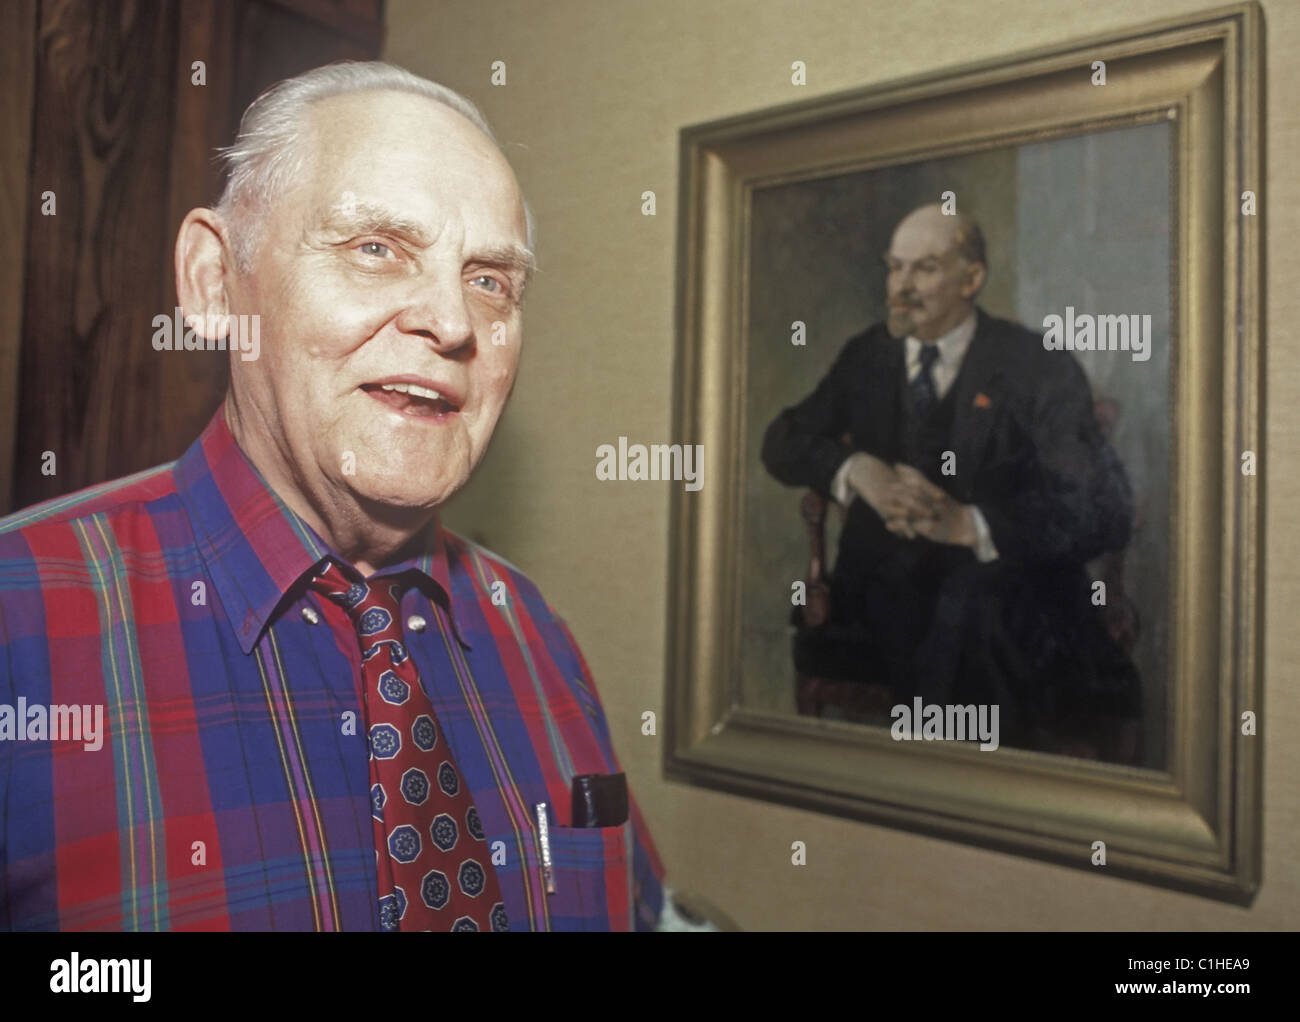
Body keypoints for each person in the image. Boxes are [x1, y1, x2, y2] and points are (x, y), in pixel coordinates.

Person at [0, 62, 664, 931]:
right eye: (376, 248)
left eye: (491, 280)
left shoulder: (536, 632)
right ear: (213, 283)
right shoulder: (21, 621)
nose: (452, 322)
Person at [761, 204, 1141, 756]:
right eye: (895, 268)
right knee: (918, 601)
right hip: (883, 587)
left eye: (925, 269)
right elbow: (783, 439)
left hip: (1007, 591)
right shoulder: (868, 357)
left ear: (972, 279)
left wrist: (971, 525)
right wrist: (855, 469)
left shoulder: (1035, 365)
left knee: (976, 610)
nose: (902, 286)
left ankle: (972, 800)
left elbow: (1104, 508)